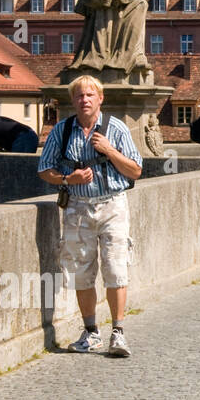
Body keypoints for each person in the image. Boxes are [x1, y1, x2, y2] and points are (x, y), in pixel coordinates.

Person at [36, 75, 144, 356]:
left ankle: (118, 333)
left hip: (112, 205)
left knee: (116, 268)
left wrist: (109, 150)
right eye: (79, 96)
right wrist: (67, 179)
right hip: (77, 207)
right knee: (81, 273)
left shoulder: (116, 129)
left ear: (100, 98)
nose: (84, 100)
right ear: (73, 101)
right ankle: (91, 332)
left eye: (90, 95)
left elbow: (135, 170)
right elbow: (44, 169)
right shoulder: (62, 130)